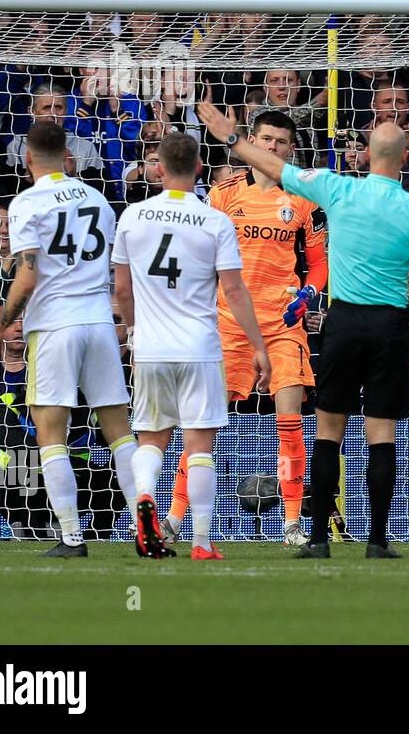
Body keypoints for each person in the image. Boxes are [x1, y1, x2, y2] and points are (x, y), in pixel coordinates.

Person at [195, 103, 409, 561]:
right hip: (390, 325)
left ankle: (315, 539)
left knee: (329, 431)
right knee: (381, 434)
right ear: (407, 155)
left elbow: (275, 168)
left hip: (344, 323)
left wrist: (233, 139)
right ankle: (377, 541)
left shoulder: (335, 189)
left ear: (366, 153)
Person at [161, 110, 327, 548]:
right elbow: (199, 259)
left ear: (291, 150)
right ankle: (176, 517)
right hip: (228, 325)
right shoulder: (221, 195)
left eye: (280, 142)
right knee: (203, 426)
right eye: (266, 139)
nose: (272, 148)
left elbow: (320, 264)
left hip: (282, 325)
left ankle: (292, 522)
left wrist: (308, 296)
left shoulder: (305, 199)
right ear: (251, 140)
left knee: (289, 422)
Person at [0, 122, 140, 557]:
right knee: (120, 432)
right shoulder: (98, 200)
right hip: (100, 324)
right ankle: (145, 526)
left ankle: (71, 537)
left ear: (27, 158)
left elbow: (28, 276)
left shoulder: (27, 203)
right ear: (68, 156)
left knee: (50, 431)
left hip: (55, 326)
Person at [112, 132, 271, 560]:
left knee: (150, 440)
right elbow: (234, 290)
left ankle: (143, 501)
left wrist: (133, 330)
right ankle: (201, 542)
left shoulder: (132, 216)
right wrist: (258, 345)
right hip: (200, 346)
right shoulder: (215, 220)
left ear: (158, 168)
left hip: (152, 347)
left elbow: (122, 289)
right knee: (199, 447)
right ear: (200, 168)